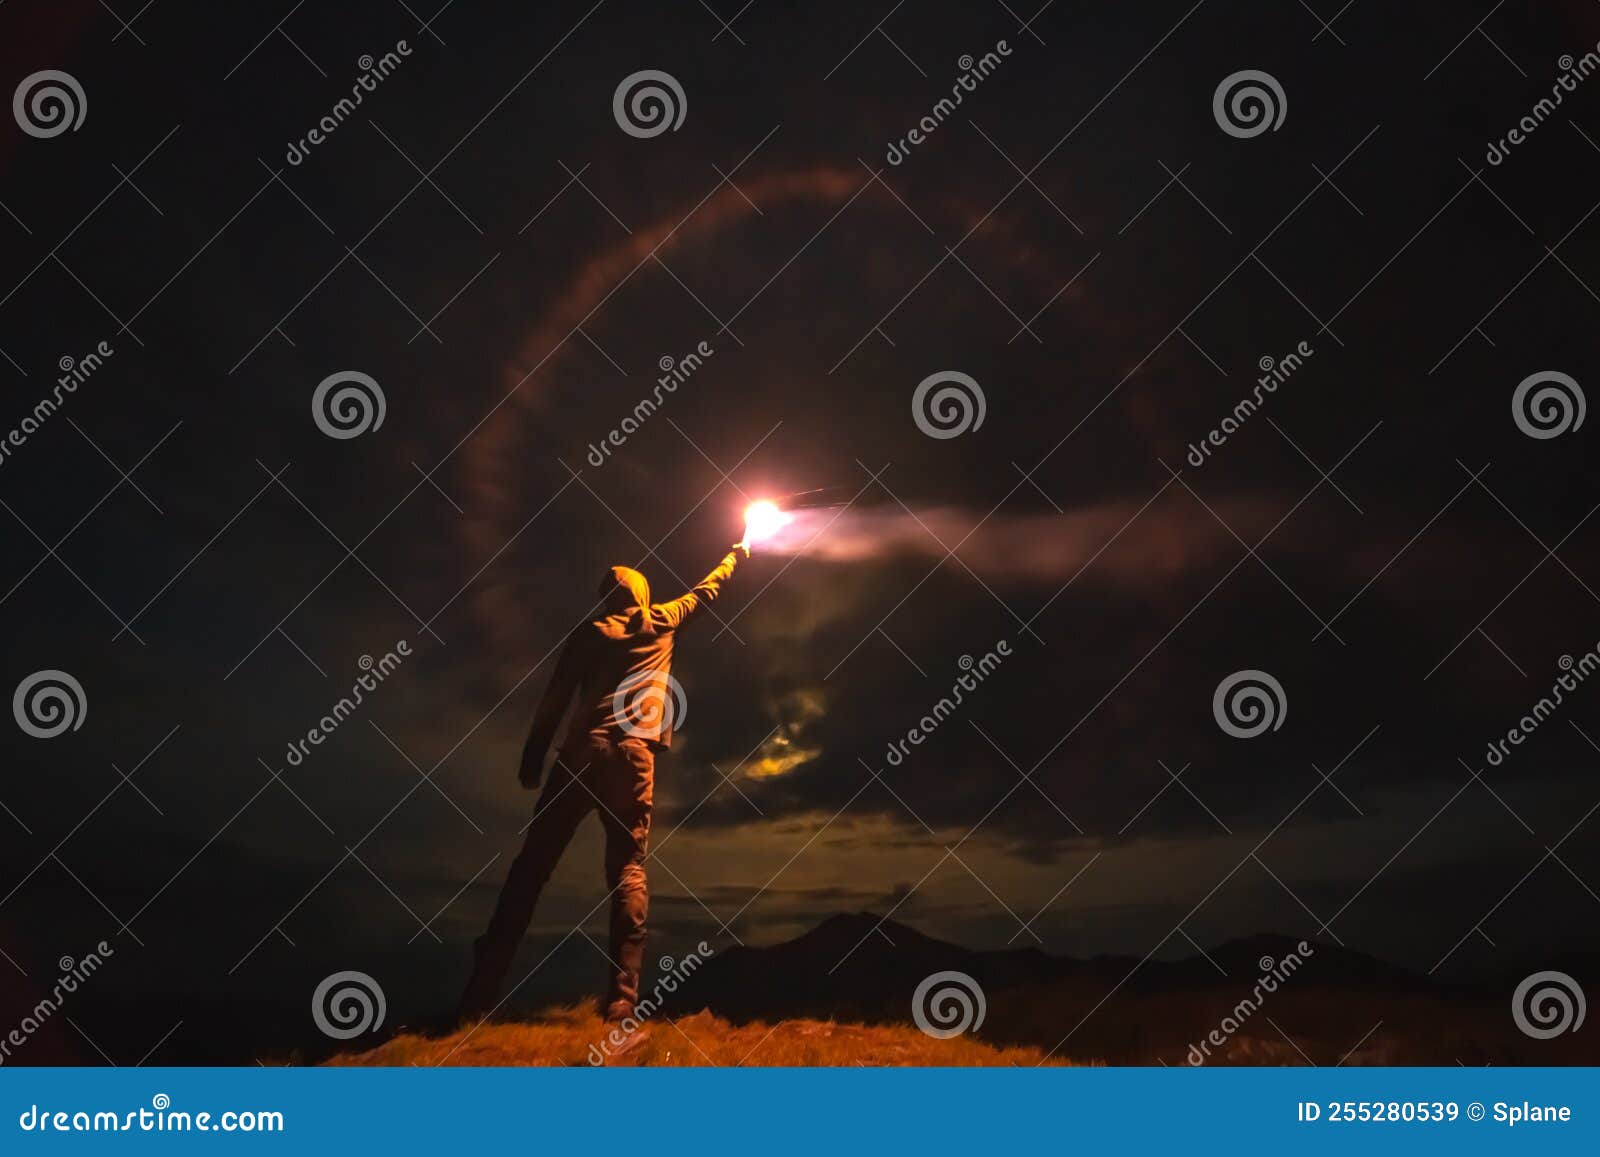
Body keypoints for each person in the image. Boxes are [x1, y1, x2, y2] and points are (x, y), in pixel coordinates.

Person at [458, 541, 749, 1023]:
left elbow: (555, 699)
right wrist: (738, 553)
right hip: (634, 759)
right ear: (641, 593)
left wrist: (532, 759)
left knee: (531, 870)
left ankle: (481, 991)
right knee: (628, 871)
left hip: (580, 754)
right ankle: (622, 998)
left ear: (608, 598)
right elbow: (708, 590)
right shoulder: (664, 619)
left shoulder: (589, 633)